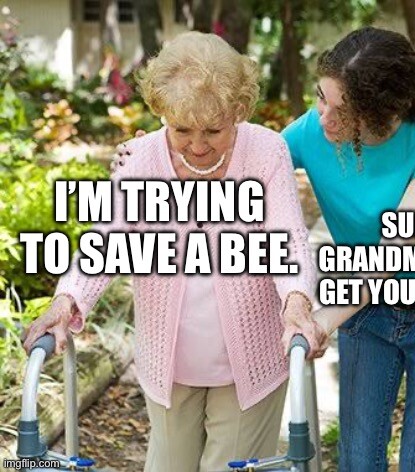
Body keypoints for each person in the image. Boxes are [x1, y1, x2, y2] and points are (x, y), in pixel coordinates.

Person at [22, 31, 327, 472]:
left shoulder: (265, 151)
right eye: (182, 129)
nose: (198, 146)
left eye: (213, 130)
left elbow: (288, 238)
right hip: (169, 365)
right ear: (161, 112)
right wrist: (66, 300)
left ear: (238, 112)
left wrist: (297, 302)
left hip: (252, 361)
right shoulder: (141, 159)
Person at [281, 27, 415, 472]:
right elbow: (247, 162)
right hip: (368, 309)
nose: (324, 119)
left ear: (381, 113)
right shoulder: (309, 132)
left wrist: (323, 320)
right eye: (321, 97)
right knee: (358, 459)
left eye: (343, 112)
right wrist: (147, 155)